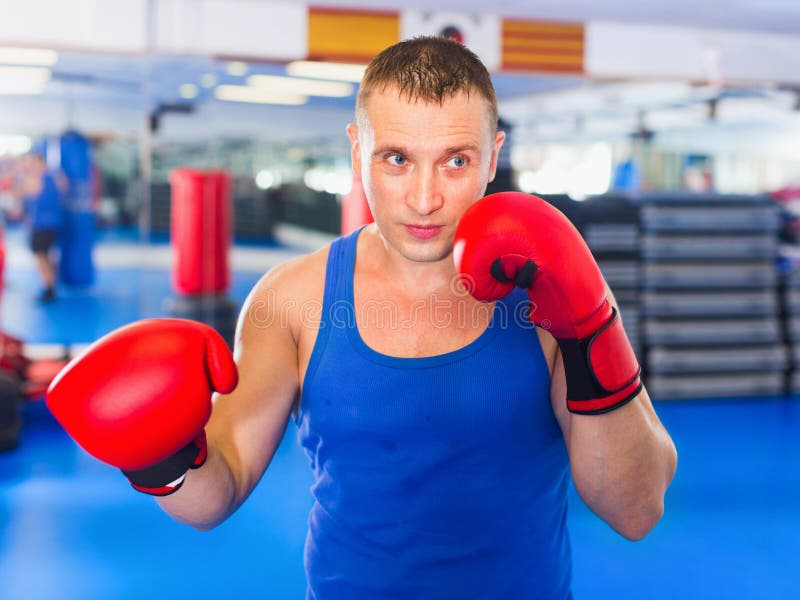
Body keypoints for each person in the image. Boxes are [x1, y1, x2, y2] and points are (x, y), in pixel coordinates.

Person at [47, 36, 677, 599]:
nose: (425, 198)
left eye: (456, 160)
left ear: (493, 156)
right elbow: (218, 491)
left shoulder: (550, 295)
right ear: (357, 150)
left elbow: (636, 510)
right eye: (397, 159)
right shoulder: (291, 299)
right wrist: (159, 457)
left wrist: (590, 326)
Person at [10, 152, 65, 302]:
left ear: (40, 164)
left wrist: (17, 173)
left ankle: (48, 287)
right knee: (47, 255)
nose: (30, 166)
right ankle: (51, 285)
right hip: (53, 223)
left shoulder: (35, 180)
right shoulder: (56, 177)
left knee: (41, 256)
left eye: (32, 163)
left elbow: (17, 194)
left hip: (41, 225)